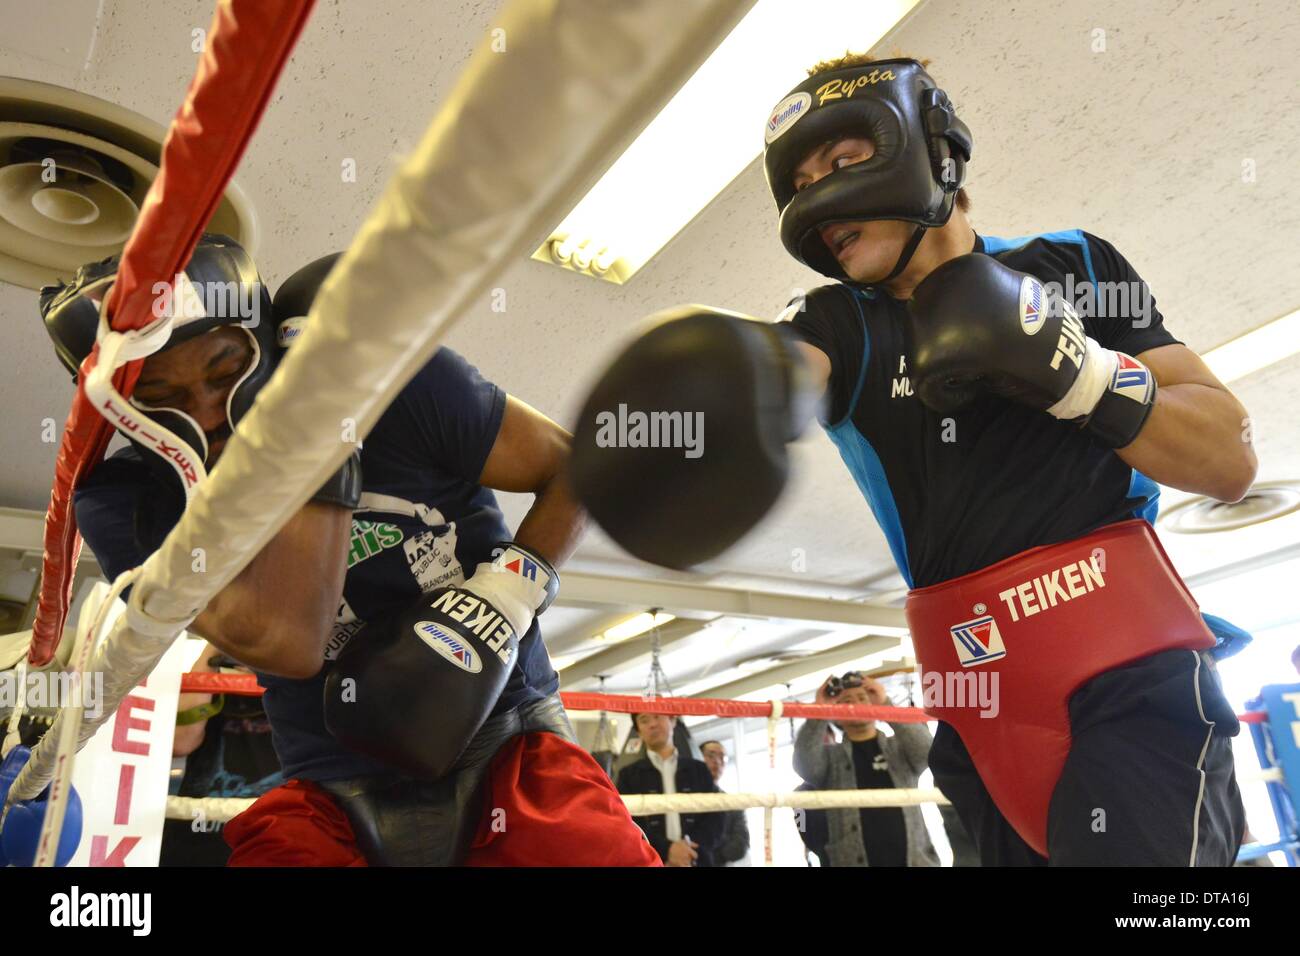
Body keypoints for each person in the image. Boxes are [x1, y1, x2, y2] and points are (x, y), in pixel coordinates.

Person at [571, 55, 1255, 866]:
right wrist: (708, 403)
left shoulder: (1074, 264)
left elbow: (1229, 457)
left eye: (843, 159)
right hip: (978, 701)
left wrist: (1082, 372)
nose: (817, 196)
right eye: (797, 180)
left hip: (1127, 670)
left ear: (931, 148)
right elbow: (784, 369)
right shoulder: (836, 322)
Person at [43, 236, 659, 866]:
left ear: (260, 343)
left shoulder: (399, 384)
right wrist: (325, 440)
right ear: (121, 409)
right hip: (333, 781)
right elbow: (288, 641)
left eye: (225, 370)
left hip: (507, 731)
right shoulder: (130, 502)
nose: (206, 414)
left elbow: (579, 471)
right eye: (161, 398)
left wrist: (507, 594)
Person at [794, 672, 939, 866]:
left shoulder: (898, 748)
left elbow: (926, 753)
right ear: (836, 714)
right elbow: (804, 765)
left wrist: (886, 704)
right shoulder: (831, 758)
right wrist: (820, 711)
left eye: (862, 697)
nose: (855, 704)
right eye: (846, 701)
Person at [616, 713, 723, 866]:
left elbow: (716, 817)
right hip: (650, 861)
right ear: (638, 731)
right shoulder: (628, 775)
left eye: (658, 716)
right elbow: (628, 823)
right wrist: (667, 850)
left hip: (696, 860)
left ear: (673, 720)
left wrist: (687, 848)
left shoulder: (699, 769)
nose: (652, 724)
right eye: (644, 720)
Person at [699, 739, 750, 865]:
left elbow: (740, 845)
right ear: (697, 758)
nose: (717, 761)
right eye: (710, 755)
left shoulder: (733, 803)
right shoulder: (682, 799)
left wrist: (707, 856)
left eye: (722, 757)